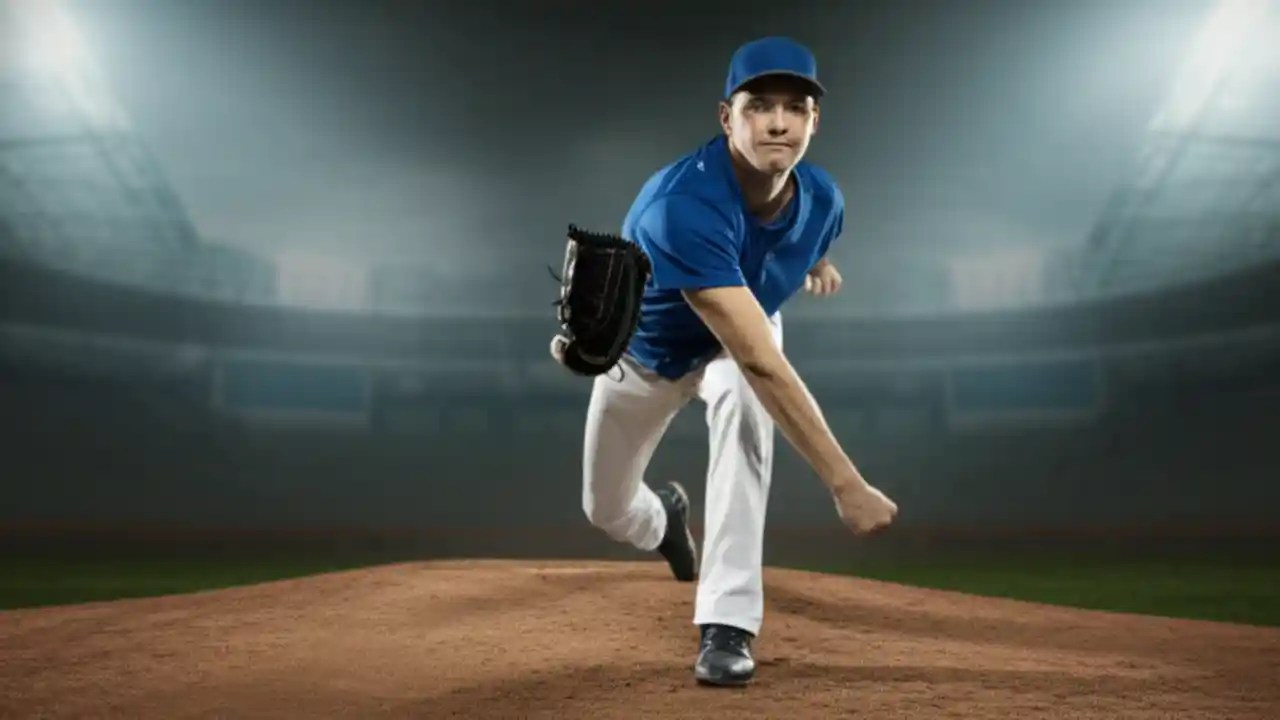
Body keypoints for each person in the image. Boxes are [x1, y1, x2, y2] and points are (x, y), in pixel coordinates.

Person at [575, 36, 898, 687]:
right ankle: (664, 520)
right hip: (653, 352)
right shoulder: (682, 207)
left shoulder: (824, 198)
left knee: (749, 409)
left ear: (814, 122)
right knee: (605, 509)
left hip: (739, 334)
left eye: (795, 107)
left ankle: (728, 622)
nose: (778, 122)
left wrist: (817, 262)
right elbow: (761, 358)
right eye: (759, 106)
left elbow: (797, 247)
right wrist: (845, 483)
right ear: (727, 118)